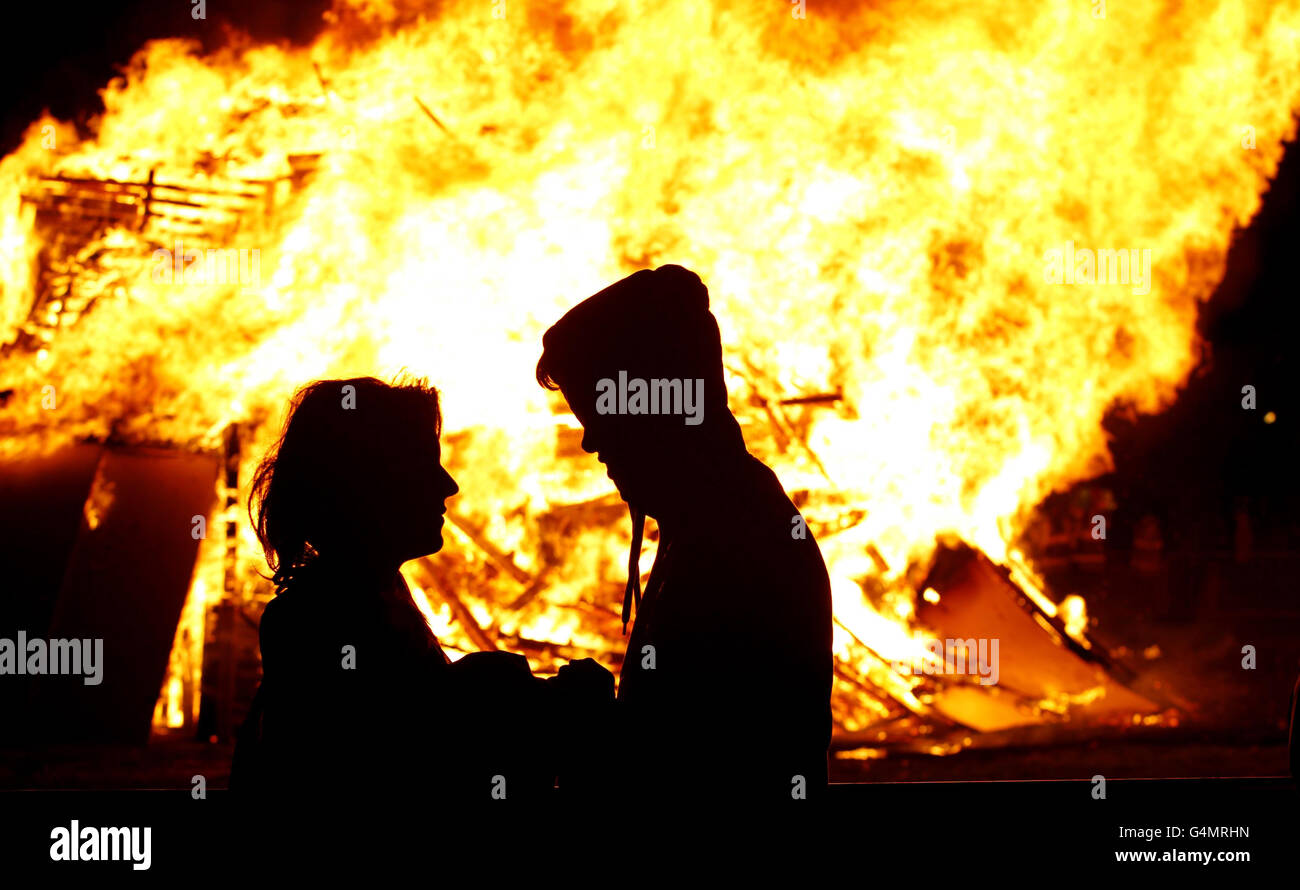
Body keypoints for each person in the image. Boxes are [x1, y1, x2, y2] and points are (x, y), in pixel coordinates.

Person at [231, 375, 608, 802]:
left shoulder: (373, 595)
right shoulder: (320, 619)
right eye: (424, 464)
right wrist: (527, 697)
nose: (448, 485)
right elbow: (417, 752)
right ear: (368, 484)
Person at [536, 264, 834, 802]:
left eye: (601, 413)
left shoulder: (733, 539)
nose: (589, 442)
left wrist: (584, 720)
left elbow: (690, 771)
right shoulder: (709, 516)